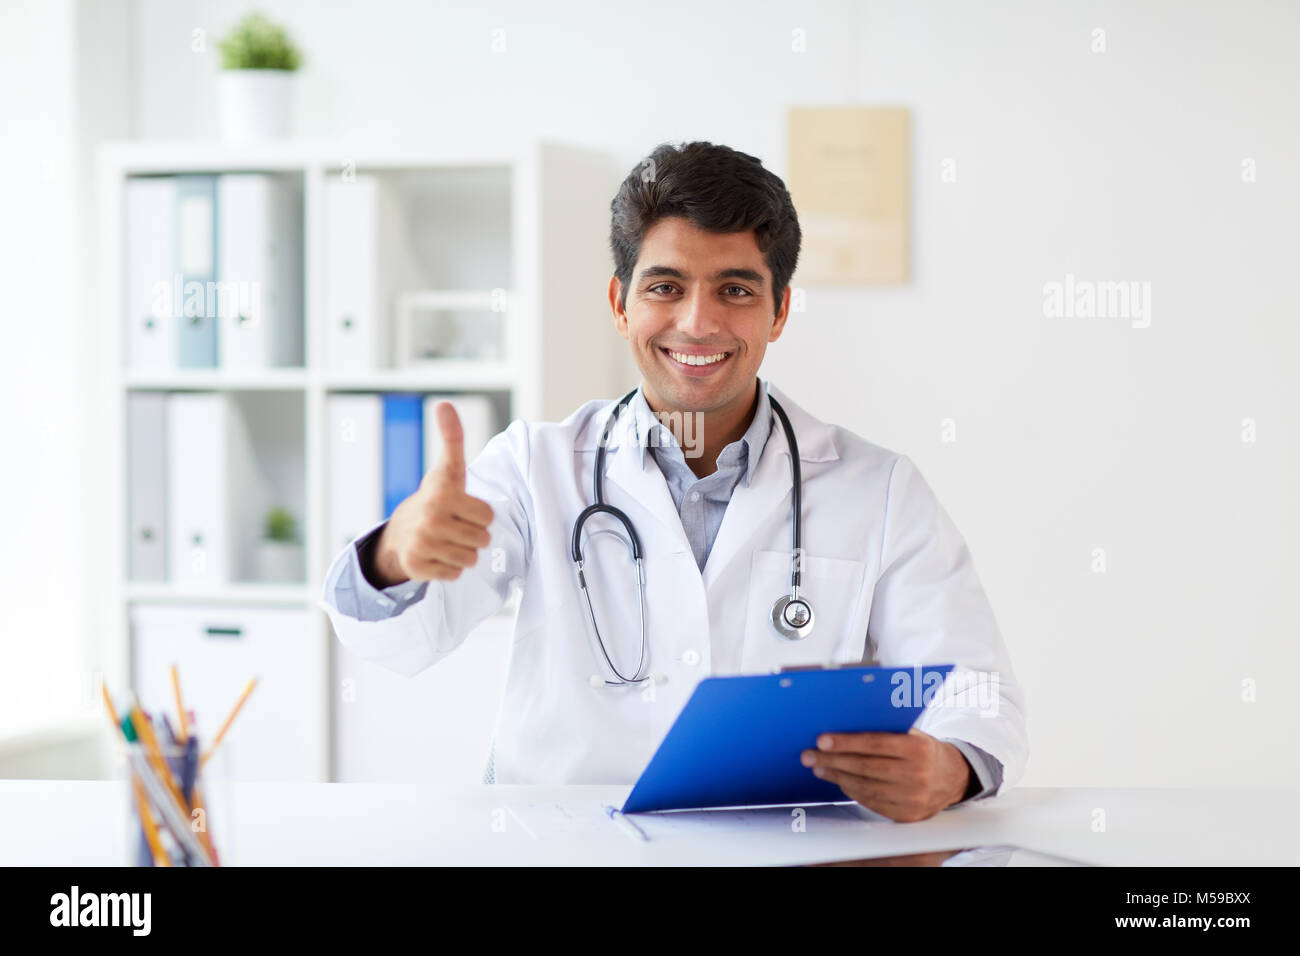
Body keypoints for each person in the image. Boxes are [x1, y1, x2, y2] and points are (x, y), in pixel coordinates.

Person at [321, 141, 1027, 823]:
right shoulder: (534, 468)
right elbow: (406, 641)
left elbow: (976, 687)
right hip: (565, 847)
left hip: (782, 845)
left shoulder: (878, 488)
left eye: (736, 289)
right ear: (620, 303)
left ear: (779, 310)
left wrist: (952, 766)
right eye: (666, 286)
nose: (698, 322)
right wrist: (394, 557)